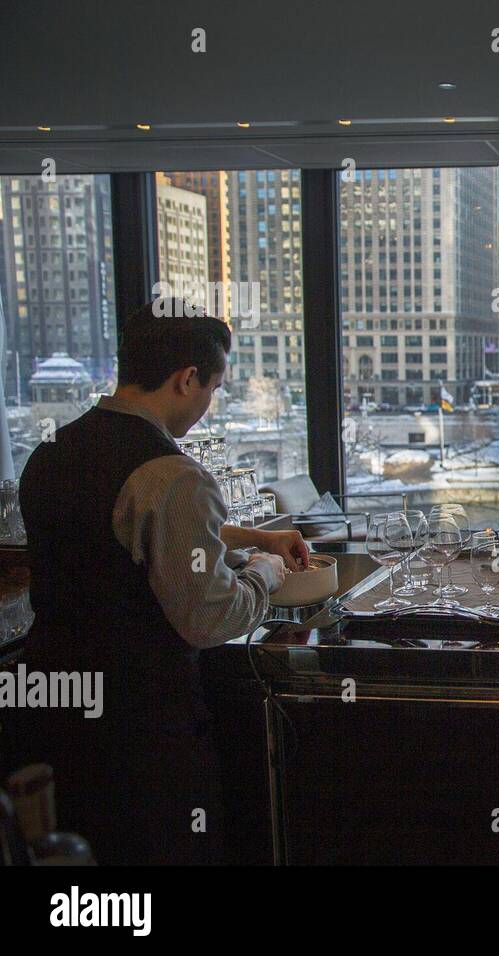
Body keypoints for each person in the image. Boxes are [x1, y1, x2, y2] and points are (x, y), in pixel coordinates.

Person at [12, 298, 309, 864]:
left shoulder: (50, 451)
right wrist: (266, 574)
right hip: (141, 727)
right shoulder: (173, 474)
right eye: (212, 388)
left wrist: (253, 538)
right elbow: (210, 617)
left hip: (53, 704)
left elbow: (123, 529)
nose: (209, 403)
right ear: (186, 378)